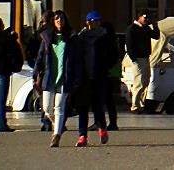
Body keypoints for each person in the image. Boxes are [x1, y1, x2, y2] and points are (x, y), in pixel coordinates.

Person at [66, 9, 115, 147]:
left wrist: (105, 66)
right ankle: (82, 136)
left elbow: (112, 54)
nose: (97, 23)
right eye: (94, 21)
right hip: (83, 78)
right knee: (83, 108)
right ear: (88, 22)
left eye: (99, 21)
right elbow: (74, 58)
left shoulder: (105, 37)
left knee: (98, 106)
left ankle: (102, 128)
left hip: (99, 77)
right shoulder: (79, 38)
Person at [34, 10, 73, 147]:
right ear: (53, 22)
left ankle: (56, 136)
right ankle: (58, 125)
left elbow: (75, 59)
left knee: (59, 107)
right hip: (49, 77)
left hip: (64, 77)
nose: (59, 21)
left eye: (62, 19)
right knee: (46, 108)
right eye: (57, 19)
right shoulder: (47, 38)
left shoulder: (70, 38)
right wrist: (35, 72)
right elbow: (40, 57)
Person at [0, 17, 25, 132]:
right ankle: (1, 124)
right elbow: (11, 47)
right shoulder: (5, 38)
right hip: (2, 71)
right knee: (2, 100)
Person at [125, 8, 158, 114]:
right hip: (137, 58)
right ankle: (135, 105)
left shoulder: (146, 28)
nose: (146, 19)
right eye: (145, 17)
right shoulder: (132, 28)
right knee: (138, 81)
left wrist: (154, 25)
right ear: (139, 17)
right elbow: (129, 45)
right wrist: (133, 59)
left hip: (145, 57)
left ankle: (141, 104)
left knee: (145, 81)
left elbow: (156, 36)